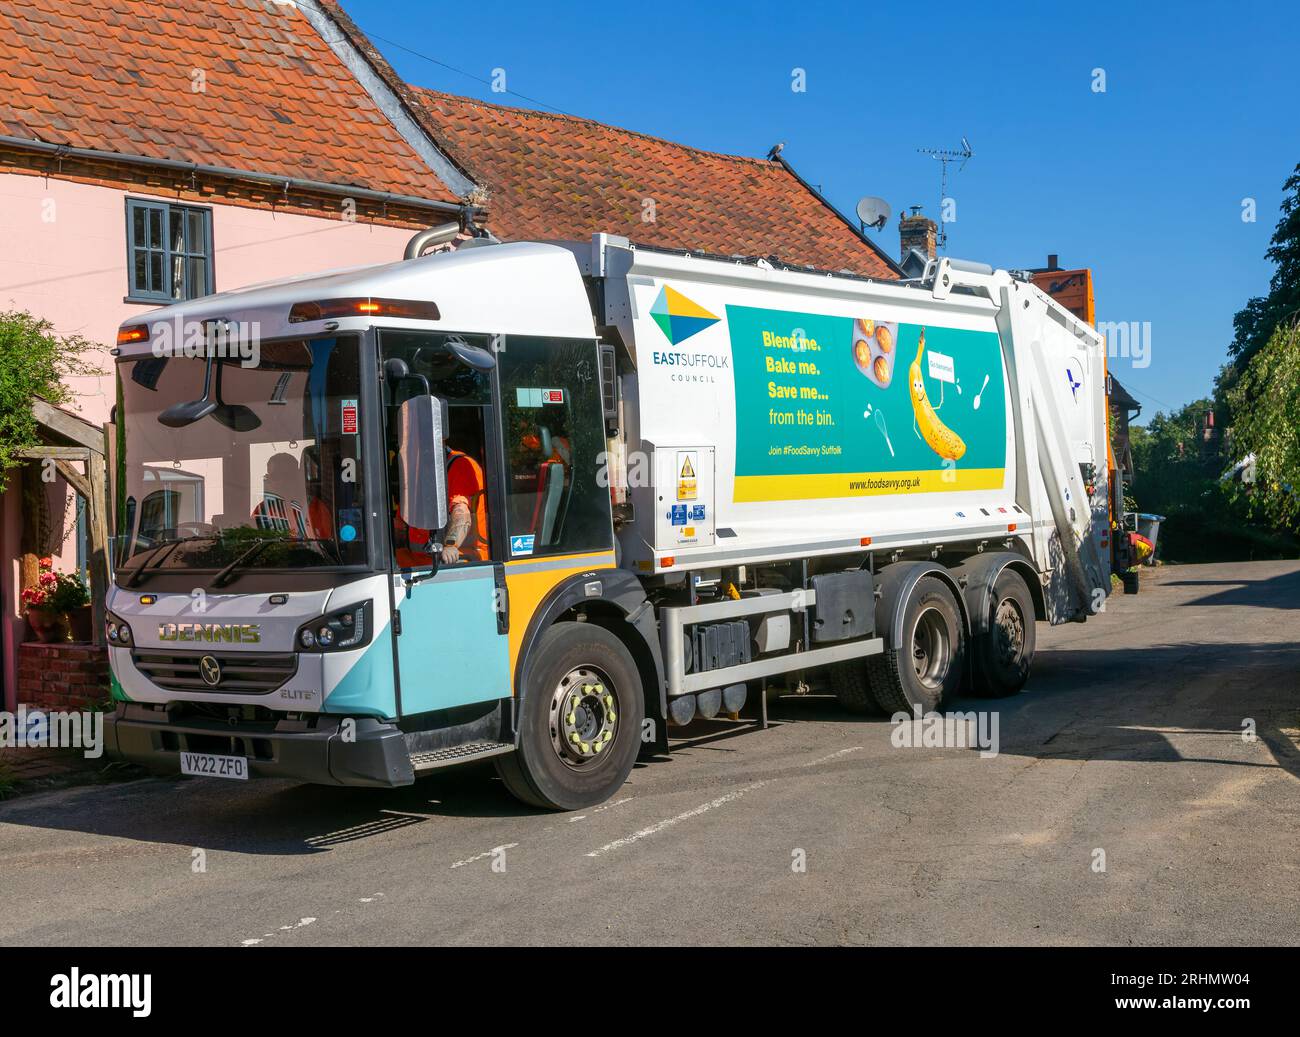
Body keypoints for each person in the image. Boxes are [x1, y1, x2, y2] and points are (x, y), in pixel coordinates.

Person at [393, 442, 488, 567]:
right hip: (419, 565)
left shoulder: (460, 465)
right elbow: (401, 526)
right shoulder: (418, 474)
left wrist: (450, 545)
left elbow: (461, 513)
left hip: (460, 563)